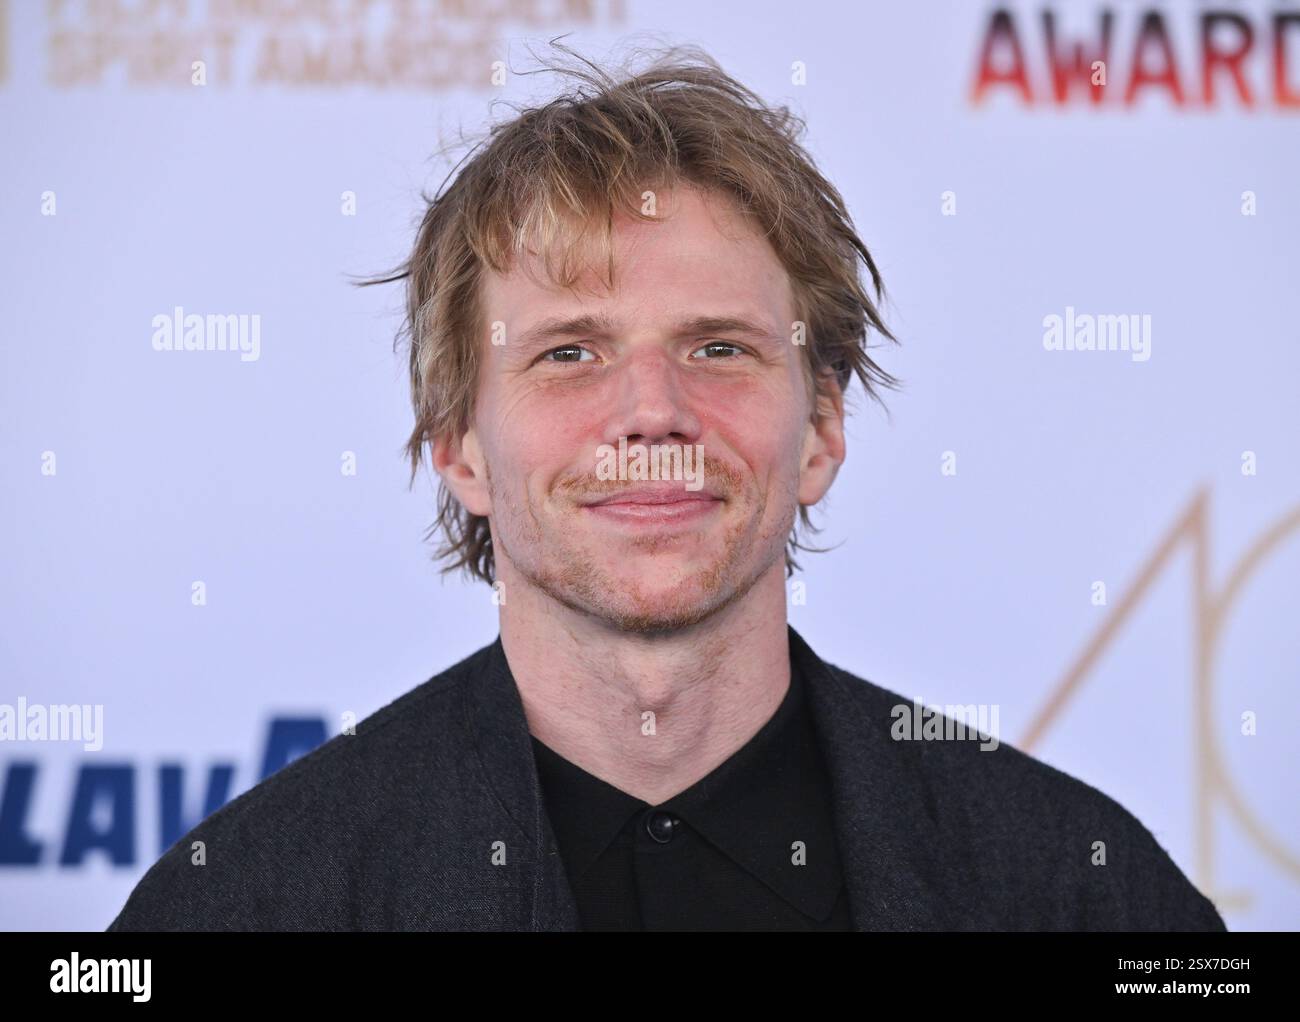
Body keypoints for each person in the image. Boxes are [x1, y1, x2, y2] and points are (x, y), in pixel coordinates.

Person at [107, 46, 1225, 932]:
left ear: (823, 427)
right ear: (457, 445)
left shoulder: (1077, 884)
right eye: (568, 353)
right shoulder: (245, 900)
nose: (652, 411)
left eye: (719, 347)